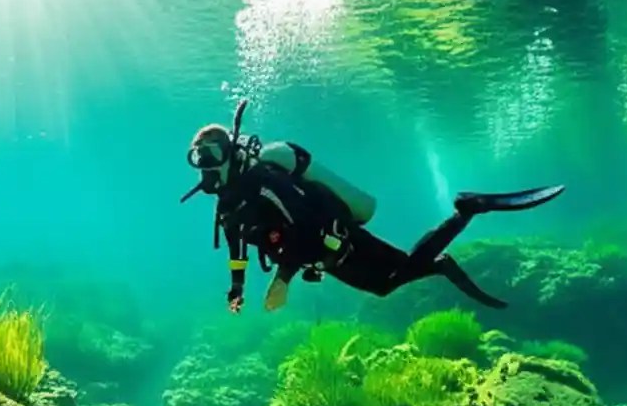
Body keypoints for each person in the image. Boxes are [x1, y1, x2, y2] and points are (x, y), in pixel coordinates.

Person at [179, 100, 565, 313]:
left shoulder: (264, 182)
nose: (205, 167)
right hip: (324, 258)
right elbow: (237, 250)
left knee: (391, 279)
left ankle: (467, 211)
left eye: (211, 155)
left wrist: (282, 280)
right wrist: (236, 287)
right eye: (197, 158)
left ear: (230, 153)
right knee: (387, 283)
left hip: (338, 241)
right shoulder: (229, 205)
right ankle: (453, 238)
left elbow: (304, 226)